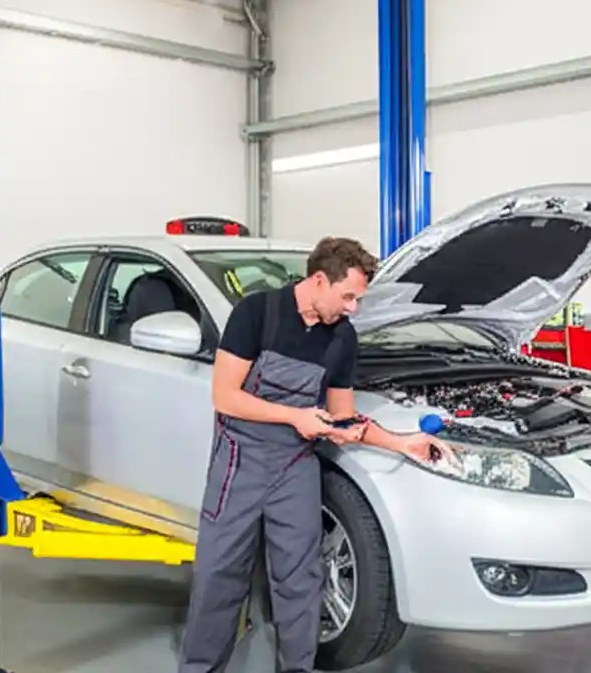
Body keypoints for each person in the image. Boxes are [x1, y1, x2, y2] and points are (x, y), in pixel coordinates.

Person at [179, 236, 455, 673]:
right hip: (240, 461)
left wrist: (404, 443)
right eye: (348, 297)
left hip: (294, 466)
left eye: (358, 300)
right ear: (319, 280)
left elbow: (343, 419)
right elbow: (226, 397)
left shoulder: (341, 338)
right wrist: (296, 416)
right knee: (220, 576)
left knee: (300, 584)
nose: (353, 309)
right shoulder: (258, 314)